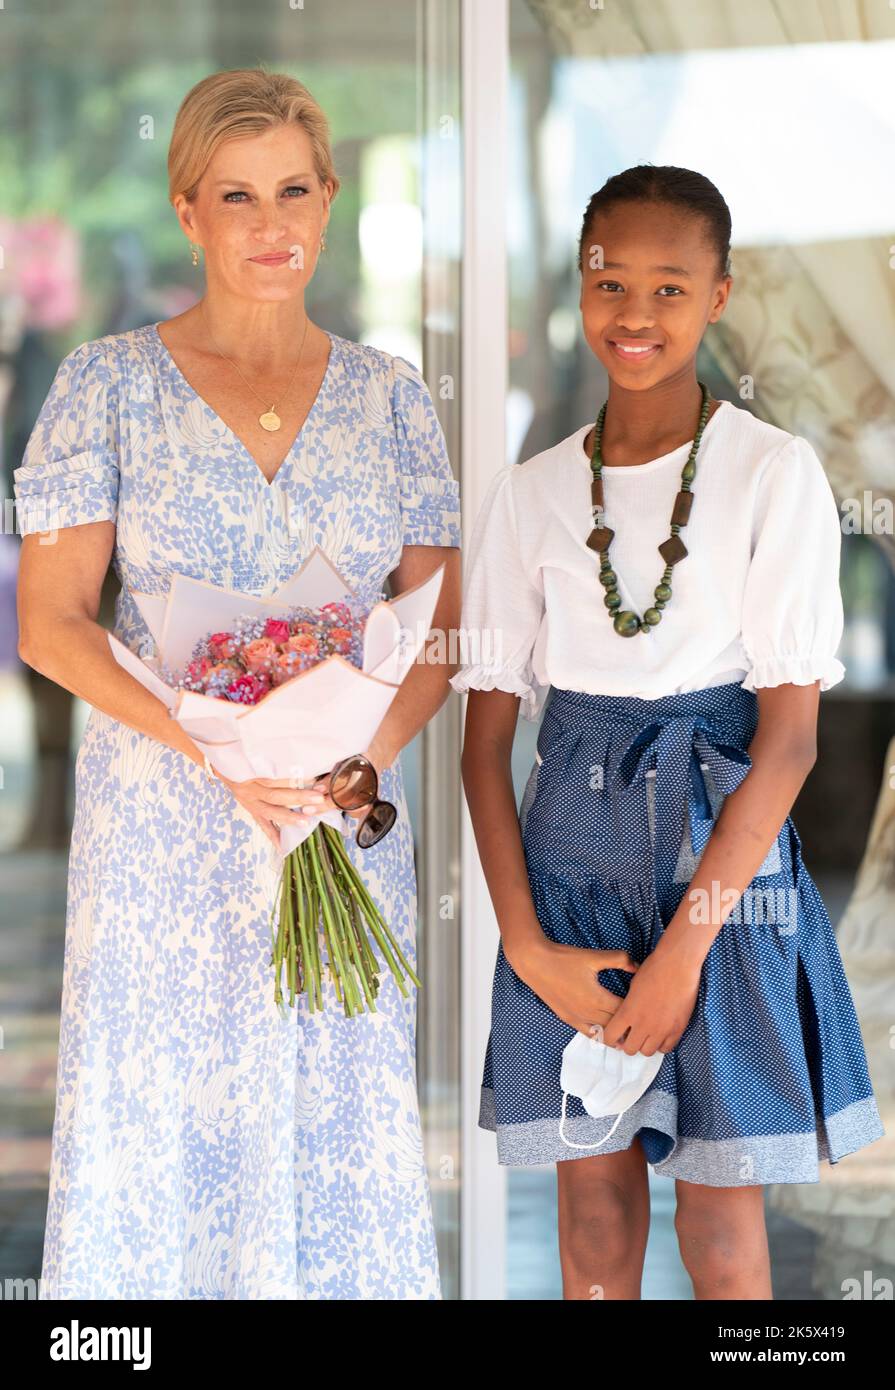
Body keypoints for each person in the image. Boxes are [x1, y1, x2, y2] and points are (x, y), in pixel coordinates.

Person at [15, 67, 461, 1300]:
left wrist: (352, 765)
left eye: (294, 191)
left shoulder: (393, 401)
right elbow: (55, 628)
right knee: (158, 1102)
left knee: (331, 1094)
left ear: (327, 203)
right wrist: (215, 748)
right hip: (164, 818)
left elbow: (435, 633)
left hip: (338, 811)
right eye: (236, 194)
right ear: (187, 213)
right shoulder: (103, 386)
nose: (271, 224)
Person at [450, 164, 885, 1301]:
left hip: (721, 878)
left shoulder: (772, 474)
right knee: (590, 1216)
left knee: (723, 1223)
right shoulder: (531, 493)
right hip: (568, 878)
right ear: (580, 286)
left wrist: (686, 950)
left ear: (719, 297)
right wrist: (530, 947)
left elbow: (787, 739)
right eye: (609, 280)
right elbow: (481, 745)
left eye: (669, 288)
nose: (633, 314)